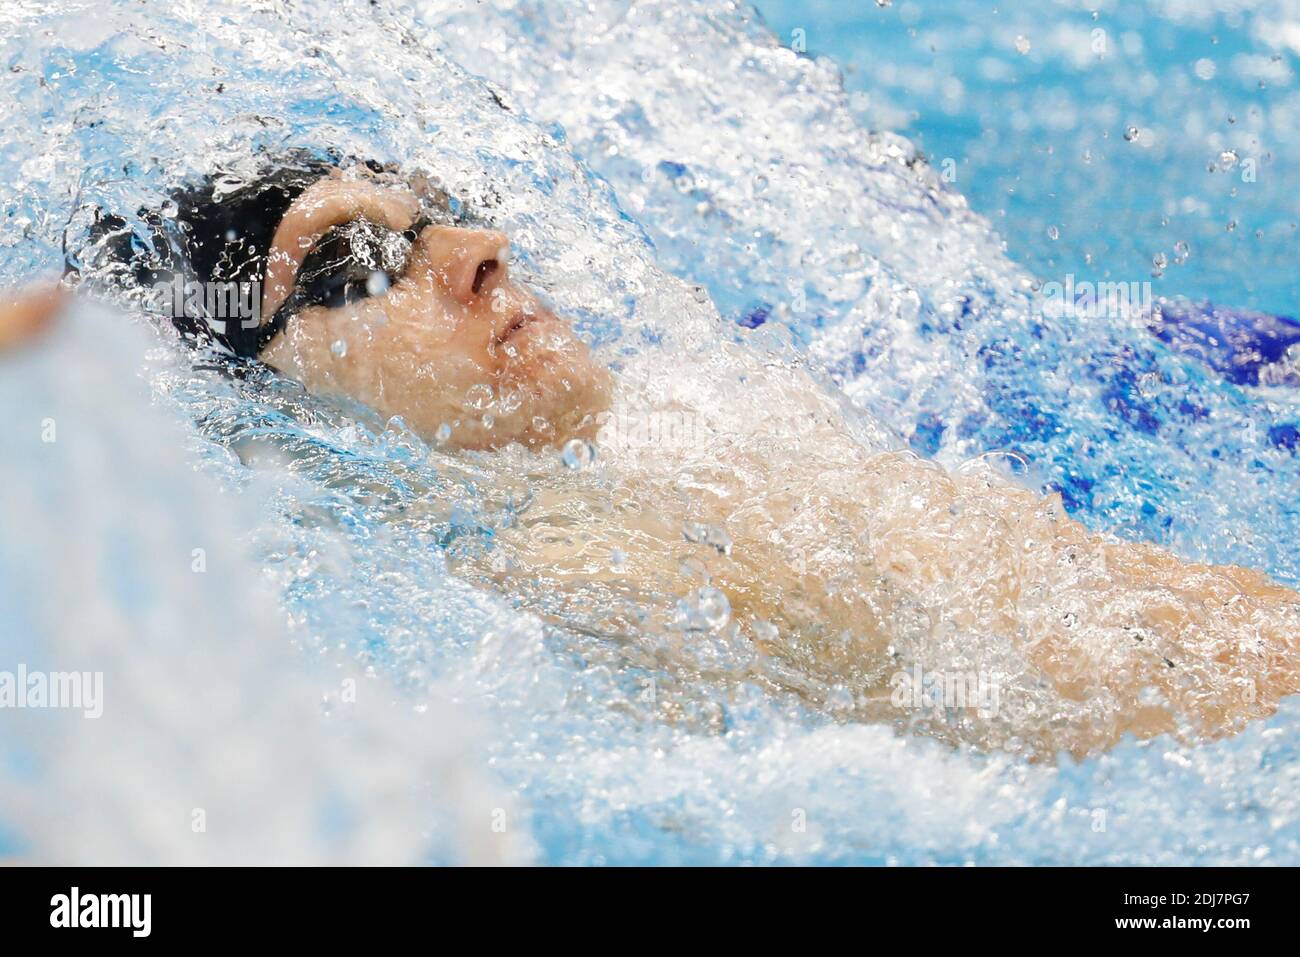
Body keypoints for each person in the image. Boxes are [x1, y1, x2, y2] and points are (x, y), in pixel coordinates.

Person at [36, 152, 1300, 757]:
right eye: (358, 262)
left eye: (435, 206)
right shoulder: (578, 573)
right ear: (274, 410)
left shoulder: (713, 399)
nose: (480, 244)